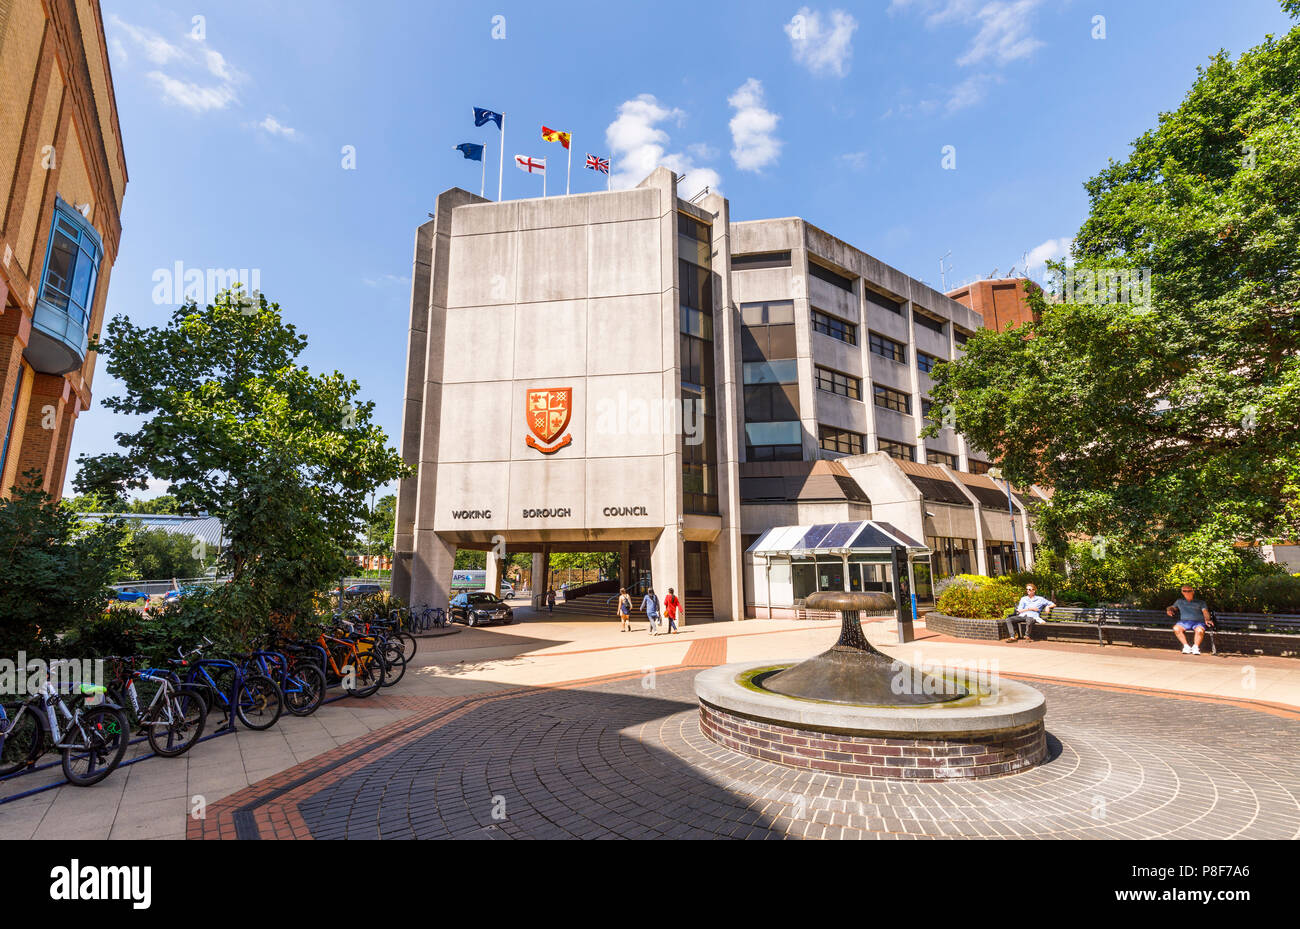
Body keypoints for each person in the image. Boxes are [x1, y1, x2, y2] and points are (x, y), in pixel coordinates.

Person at [1167, 585, 1213, 654]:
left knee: (1200, 631)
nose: (1187, 592)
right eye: (1184, 591)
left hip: (1198, 622)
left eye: (1189, 591)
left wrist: (1207, 619)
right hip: (1184, 622)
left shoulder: (1200, 602)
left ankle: (1196, 647)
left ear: (1193, 591)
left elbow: (1205, 612)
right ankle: (1186, 646)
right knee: (1176, 628)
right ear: (1182, 592)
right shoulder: (1179, 601)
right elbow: (1173, 608)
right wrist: (1169, 610)